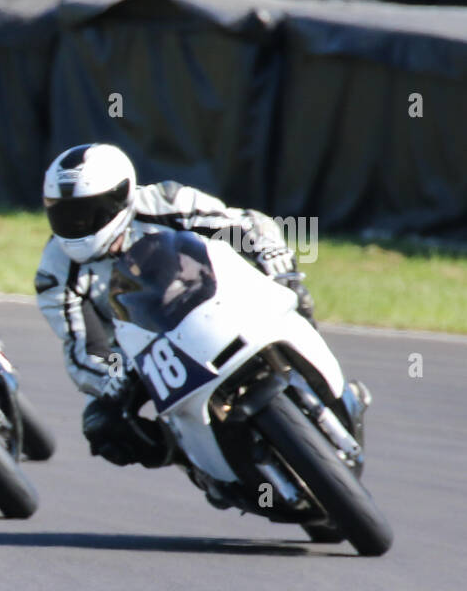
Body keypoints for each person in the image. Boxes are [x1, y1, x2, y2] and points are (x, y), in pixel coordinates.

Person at [35, 142, 317, 469]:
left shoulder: (165, 201)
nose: (77, 225)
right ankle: (193, 460)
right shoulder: (54, 271)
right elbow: (84, 347)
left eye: (87, 212)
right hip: (141, 358)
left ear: (120, 196)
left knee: (296, 295)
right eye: (65, 214)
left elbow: (243, 225)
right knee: (102, 426)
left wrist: (275, 259)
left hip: (214, 307)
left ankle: (313, 380)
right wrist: (113, 373)